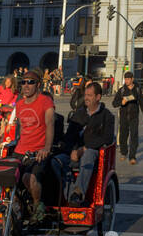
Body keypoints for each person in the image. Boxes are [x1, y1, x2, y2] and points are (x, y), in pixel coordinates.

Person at [8, 69, 57, 223]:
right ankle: (15, 204)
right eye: (23, 82)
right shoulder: (20, 104)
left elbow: (50, 123)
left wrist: (46, 148)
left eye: (31, 82)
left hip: (38, 151)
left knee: (29, 178)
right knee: (6, 177)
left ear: (38, 85)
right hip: (21, 150)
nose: (26, 85)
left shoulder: (45, 101)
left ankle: (37, 205)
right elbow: (21, 127)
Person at [67, 82, 116, 204]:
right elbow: (69, 136)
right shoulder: (79, 113)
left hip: (94, 153)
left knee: (88, 154)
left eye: (89, 95)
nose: (86, 98)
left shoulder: (107, 116)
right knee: (55, 160)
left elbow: (107, 138)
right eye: (85, 95)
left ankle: (77, 193)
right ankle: (65, 196)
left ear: (98, 97)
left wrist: (84, 149)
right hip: (75, 152)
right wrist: (70, 149)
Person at [114, 71, 143, 165]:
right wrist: (122, 102)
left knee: (134, 136)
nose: (127, 81)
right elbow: (114, 103)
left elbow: (142, 103)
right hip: (123, 117)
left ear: (132, 79)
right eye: (125, 79)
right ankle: (124, 152)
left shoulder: (137, 90)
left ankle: (132, 156)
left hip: (134, 117)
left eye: (128, 79)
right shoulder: (121, 90)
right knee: (123, 136)